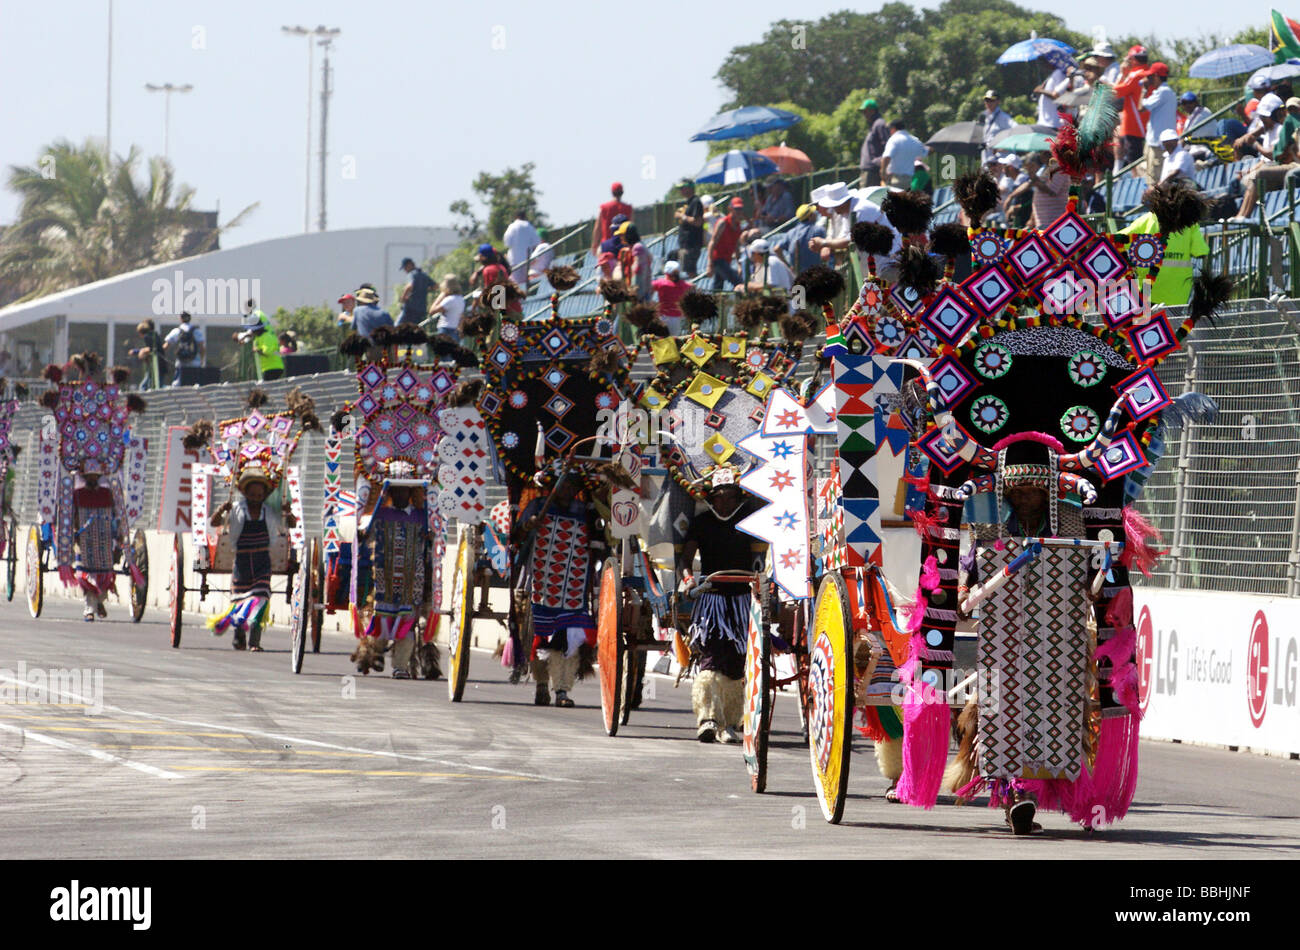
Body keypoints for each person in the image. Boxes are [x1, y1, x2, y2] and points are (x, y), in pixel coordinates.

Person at [677, 470, 766, 742]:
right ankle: (708, 719)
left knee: (737, 663)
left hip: (742, 600)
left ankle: (728, 723)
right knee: (711, 657)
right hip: (712, 600)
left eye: (730, 497)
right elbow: (685, 559)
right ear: (712, 498)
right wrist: (689, 580)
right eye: (719, 497)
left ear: (739, 497)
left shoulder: (750, 522)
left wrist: (761, 582)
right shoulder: (702, 522)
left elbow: (760, 559)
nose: (725, 502)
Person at [515, 472, 604, 708]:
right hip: (542, 584)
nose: (566, 490)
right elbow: (517, 535)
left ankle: (563, 689)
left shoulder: (585, 511)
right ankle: (542, 683)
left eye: (570, 485)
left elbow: (598, 543)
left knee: (568, 638)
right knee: (540, 635)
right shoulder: (538, 505)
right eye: (561, 485)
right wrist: (529, 524)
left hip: (574, 587)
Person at [209, 466, 294, 651]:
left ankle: (255, 642)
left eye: (259, 495)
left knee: (261, 598)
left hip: (263, 561)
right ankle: (239, 634)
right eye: (252, 495)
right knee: (240, 601)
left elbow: (291, 524)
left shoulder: (269, 512)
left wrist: (288, 512)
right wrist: (221, 510)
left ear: (264, 495)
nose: (256, 498)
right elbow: (214, 522)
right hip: (242, 563)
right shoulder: (237, 510)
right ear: (246, 493)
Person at [356, 472, 432, 679]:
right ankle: (375, 653)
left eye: (404, 490)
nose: (399, 494)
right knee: (382, 619)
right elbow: (364, 536)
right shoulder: (379, 515)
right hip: (384, 581)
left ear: (410, 492)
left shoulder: (421, 517)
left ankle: (400, 666)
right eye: (396, 490)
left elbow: (432, 543)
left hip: (411, 581)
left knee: (407, 622)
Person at [1120, 178, 1210, 307]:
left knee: (1145, 327)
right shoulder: (1190, 225)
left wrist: (1129, 264)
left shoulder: (1146, 220)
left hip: (1147, 292)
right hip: (1178, 294)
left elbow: (1117, 240)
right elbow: (1201, 252)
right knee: (1170, 327)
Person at [72, 469, 119, 621]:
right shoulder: (77, 495)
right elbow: (72, 517)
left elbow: (115, 516)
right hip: (84, 541)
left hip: (104, 541)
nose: (92, 477)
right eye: (89, 475)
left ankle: (99, 601)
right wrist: (73, 533)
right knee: (84, 575)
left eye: (95, 475)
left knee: (104, 574)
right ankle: (89, 608)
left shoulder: (107, 494)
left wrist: (118, 537)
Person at [1112, 46, 1151, 171]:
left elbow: (1115, 92)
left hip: (1134, 125)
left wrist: (1123, 74)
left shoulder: (1136, 75)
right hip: (1143, 123)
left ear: (1133, 60)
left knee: (1134, 164)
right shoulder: (1149, 72)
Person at [1139, 63, 1176, 184]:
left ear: (1156, 76)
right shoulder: (1163, 91)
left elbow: (1141, 107)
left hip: (1158, 144)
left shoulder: (1163, 91)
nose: (1148, 80)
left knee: (1155, 182)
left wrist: (1144, 89)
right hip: (1154, 142)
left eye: (1150, 77)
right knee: (1151, 179)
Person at [234, 301, 284, 381]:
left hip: (271, 362)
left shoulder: (257, 315)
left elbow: (253, 330)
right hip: (268, 361)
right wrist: (245, 339)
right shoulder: (259, 316)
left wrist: (244, 338)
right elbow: (254, 331)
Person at [704, 196, 745, 290]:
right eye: (736, 209)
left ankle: (714, 302)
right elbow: (712, 243)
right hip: (718, 260)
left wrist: (739, 265)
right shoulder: (723, 223)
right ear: (730, 209)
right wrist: (709, 264)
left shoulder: (738, 226)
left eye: (740, 209)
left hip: (727, 260)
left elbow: (736, 247)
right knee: (738, 282)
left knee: (718, 287)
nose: (739, 211)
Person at [808, 181, 854, 262]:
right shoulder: (831, 218)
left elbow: (845, 239)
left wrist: (824, 243)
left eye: (817, 206)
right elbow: (831, 237)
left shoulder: (842, 212)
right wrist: (824, 245)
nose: (817, 210)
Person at [777, 203, 826, 274]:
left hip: (797, 275)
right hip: (816, 274)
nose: (816, 214)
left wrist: (789, 266)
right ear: (810, 217)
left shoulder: (791, 232)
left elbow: (777, 249)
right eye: (814, 213)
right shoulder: (819, 230)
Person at [880, 120, 928, 190]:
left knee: (893, 200)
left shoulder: (894, 139)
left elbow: (887, 157)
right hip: (910, 180)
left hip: (895, 179)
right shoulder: (914, 140)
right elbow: (925, 152)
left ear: (893, 128)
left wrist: (883, 173)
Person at [673, 179, 706, 277]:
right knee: (672, 256)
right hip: (685, 244)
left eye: (683, 188)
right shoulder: (688, 203)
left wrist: (682, 216)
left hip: (692, 244)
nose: (681, 191)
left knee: (691, 273)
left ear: (690, 188)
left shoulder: (696, 202)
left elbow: (698, 222)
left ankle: (693, 291)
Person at [591, 182, 634, 256]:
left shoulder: (604, 208)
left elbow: (597, 228)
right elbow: (631, 229)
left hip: (607, 247)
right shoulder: (628, 208)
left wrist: (594, 245)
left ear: (612, 192)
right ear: (622, 192)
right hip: (624, 246)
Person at [162, 311, 204, 386]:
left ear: (181, 319)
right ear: (190, 319)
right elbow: (202, 347)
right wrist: (202, 360)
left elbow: (166, 345)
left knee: (178, 383)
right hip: (195, 361)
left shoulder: (176, 331)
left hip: (181, 361)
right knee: (195, 384)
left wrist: (160, 354)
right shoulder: (197, 331)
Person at [502, 211, 541, 289]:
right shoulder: (529, 226)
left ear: (516, 217)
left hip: (514, 260)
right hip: (526, 259)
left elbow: (507, 243)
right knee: (525, 282)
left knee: (515, 282)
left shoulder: (512, 226)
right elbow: (536, 242)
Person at [617, 222, 654, 301]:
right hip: (643, 291)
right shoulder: (638, 246)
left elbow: (638, 269)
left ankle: (607, 313)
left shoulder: (638, 248)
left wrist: (634, 289)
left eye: (622, 235)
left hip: (640, 292)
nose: (620, 237)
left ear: (628, 235)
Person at [127, 320, 169, 390]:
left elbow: (152, 348)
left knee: (146, 386)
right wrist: (138, 351)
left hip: (156, 366)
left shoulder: (147, 337)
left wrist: (140, 352)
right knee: (154, 385)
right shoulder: (154, 334)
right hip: (159, 365)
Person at [1032, 55, 1071, 130]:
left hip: (1053, 122)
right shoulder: (1052, 75)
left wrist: (1041, 91)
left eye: (1044, 63)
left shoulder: (1058, 73)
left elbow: (1057, 96)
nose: (1043, 66)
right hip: (1045, 121)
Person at [858, 98, 890, 187]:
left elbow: (888, 146)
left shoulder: (880, 124)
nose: (864, 114)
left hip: (873, 172)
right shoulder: (874, 125)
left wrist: (880, 163)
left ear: (872, 111)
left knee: (867, 198)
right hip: (868, 171)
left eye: (865, 111)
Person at [652, 260, 690, 335]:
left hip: (663, 316)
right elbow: (692, 287)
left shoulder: (661, 283)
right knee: (674, 339)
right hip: (677, 318)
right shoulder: (683, 285)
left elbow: (649, 287)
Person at [980, 90, 1015, 166]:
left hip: (1000, 161)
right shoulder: (984, 117)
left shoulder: (1005, 118)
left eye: (991, 100)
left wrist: (1002, 148)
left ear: (998, 101)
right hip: (986, 159)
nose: (988, 102)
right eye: (987, 100)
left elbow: (1017, 132)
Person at [398, 257, 435, 327]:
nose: (405, 270)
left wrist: (403, 298)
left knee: (399, 326)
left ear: (409, 265)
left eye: (405, 268)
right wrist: (424, 290)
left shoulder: (411, 274)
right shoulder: (424, 275)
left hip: (410, 308)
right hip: (422, 309)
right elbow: (435, 286)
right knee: (416, 328)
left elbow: (409, 286)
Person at [428, 275, 465, 343]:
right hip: (455, 330)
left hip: (445, 329)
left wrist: (440, 297)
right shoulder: (461, 299)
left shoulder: (449, 300)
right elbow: (461, 316)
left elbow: (432, 311)